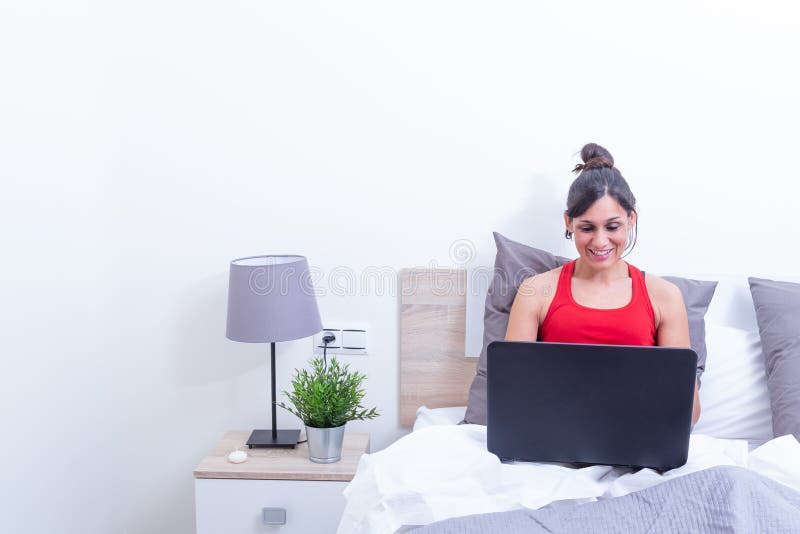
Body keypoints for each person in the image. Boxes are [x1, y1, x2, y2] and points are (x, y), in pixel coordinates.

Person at [505, 143, 701, 425]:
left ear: (630, 219)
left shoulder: (665, 297)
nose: (600, 242)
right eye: (587, 228)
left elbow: (689, 413)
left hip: (638, 442)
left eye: (612, 227)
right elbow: (512, 394)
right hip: (553, 442)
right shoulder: (535, 292)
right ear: (569, 223)